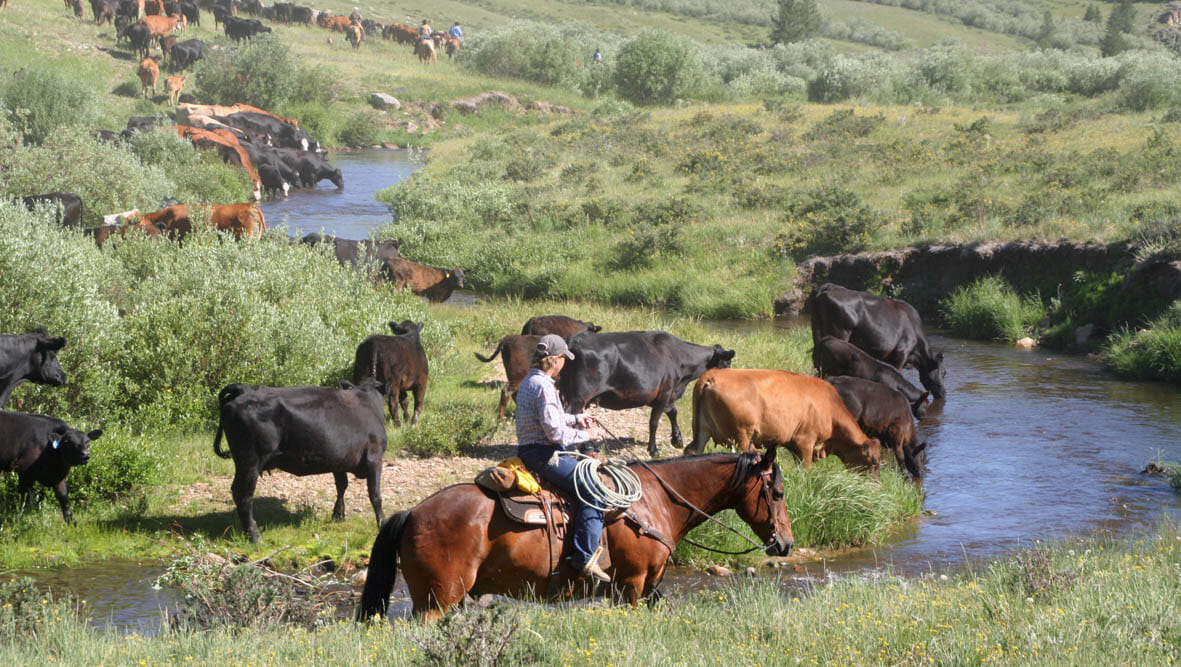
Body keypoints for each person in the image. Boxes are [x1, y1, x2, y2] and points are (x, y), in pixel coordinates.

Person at [515, 334, 612, 584]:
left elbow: (553, 418)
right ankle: (584, 556)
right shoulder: (545, 386)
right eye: (564, 359)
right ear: (556, 359)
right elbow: (554, 432)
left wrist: (576, 418)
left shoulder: (530, 381)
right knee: (594, 490)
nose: (565, 364)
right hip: (545, 455)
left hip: (530, 450)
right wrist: (587, 434)